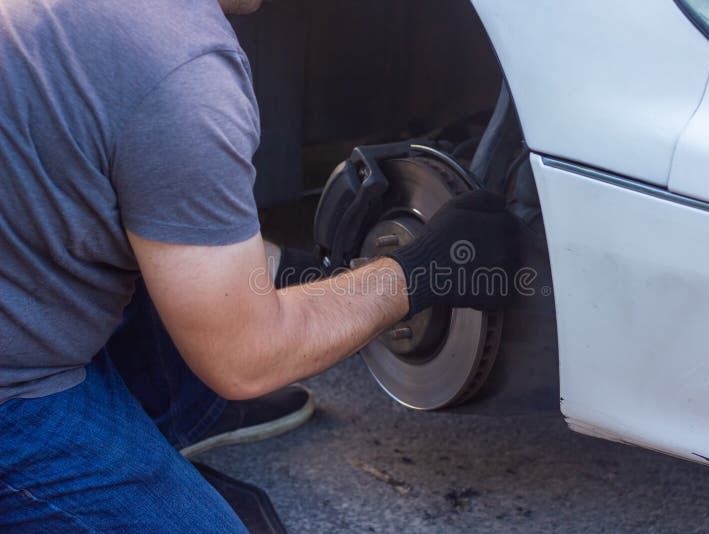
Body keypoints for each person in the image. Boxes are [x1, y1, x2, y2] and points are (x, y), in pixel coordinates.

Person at [0, 0, 523, 531]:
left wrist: (311, 279)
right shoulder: (179, 69)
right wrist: (417, 273)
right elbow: (245, 359)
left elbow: (167, 219)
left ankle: (176, 408)